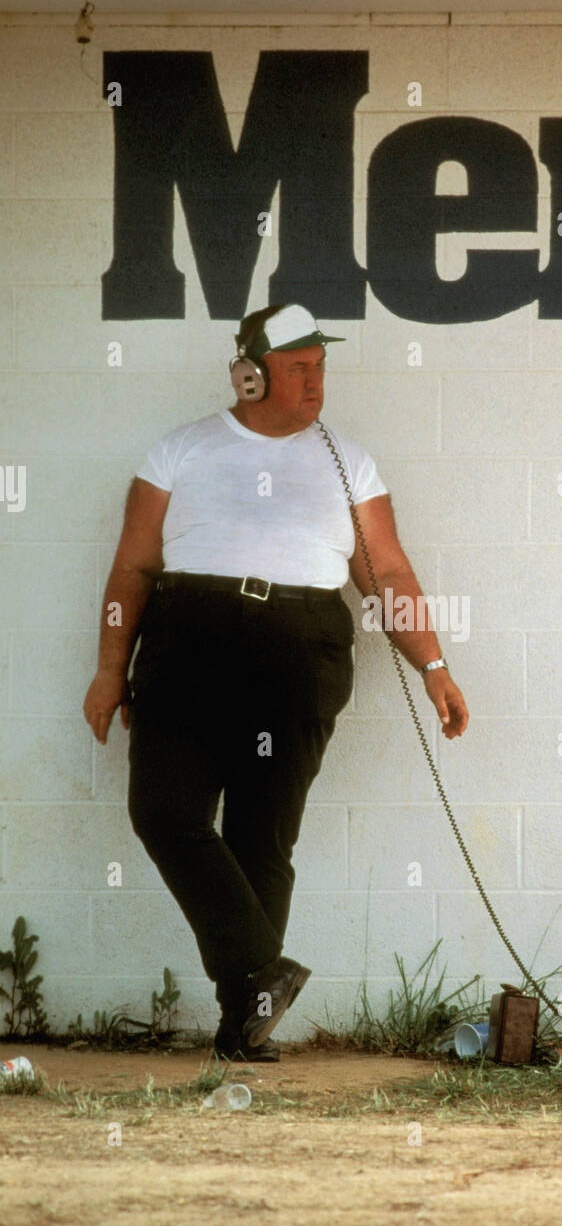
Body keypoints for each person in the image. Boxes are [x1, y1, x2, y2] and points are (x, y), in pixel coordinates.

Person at [82, 303, 469, 1062]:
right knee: (163, 810)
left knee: (263, 835)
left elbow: (385, 570)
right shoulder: (180, 451)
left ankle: (243, 1021)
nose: (315, 381)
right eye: (299, 368)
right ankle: (262, 973)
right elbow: (133, 565)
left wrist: (434, 666)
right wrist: (109, 669)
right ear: (250, 374)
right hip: (187, 641)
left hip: (298, 649)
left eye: (321, 366)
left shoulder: (347, 462)